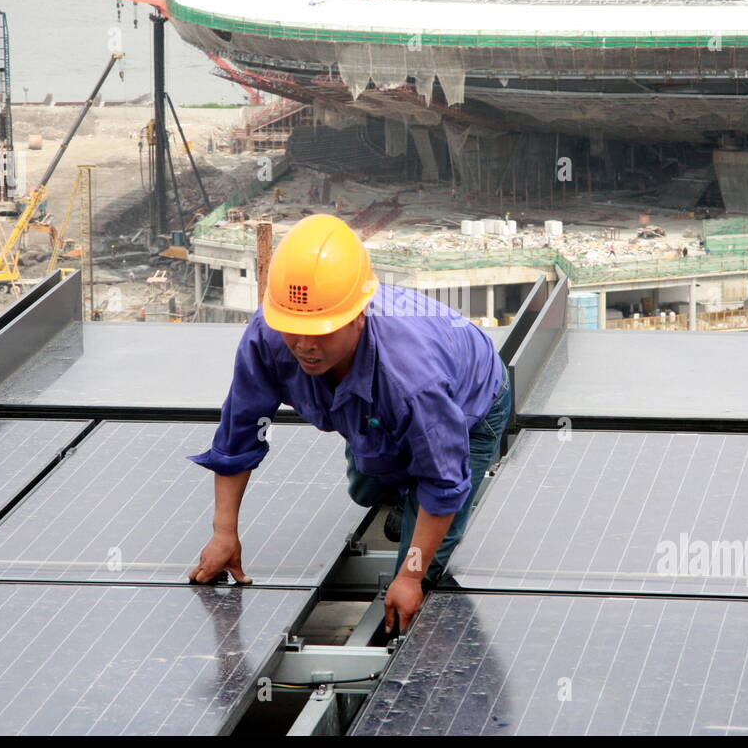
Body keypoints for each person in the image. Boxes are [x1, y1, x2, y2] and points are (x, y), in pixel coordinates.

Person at [186, 214, 512, 633]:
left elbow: (445, 482)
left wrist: (411, 575)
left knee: (417, 578)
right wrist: (223, 532)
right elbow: (239, 436)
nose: (305, 346)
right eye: (293, 330)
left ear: (360, 315)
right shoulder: (269, 337)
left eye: (322, 332)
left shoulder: (413, 381)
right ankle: (401, 492)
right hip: (383, 409)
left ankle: (414, 538)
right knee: (366, 489)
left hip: (471, 406)